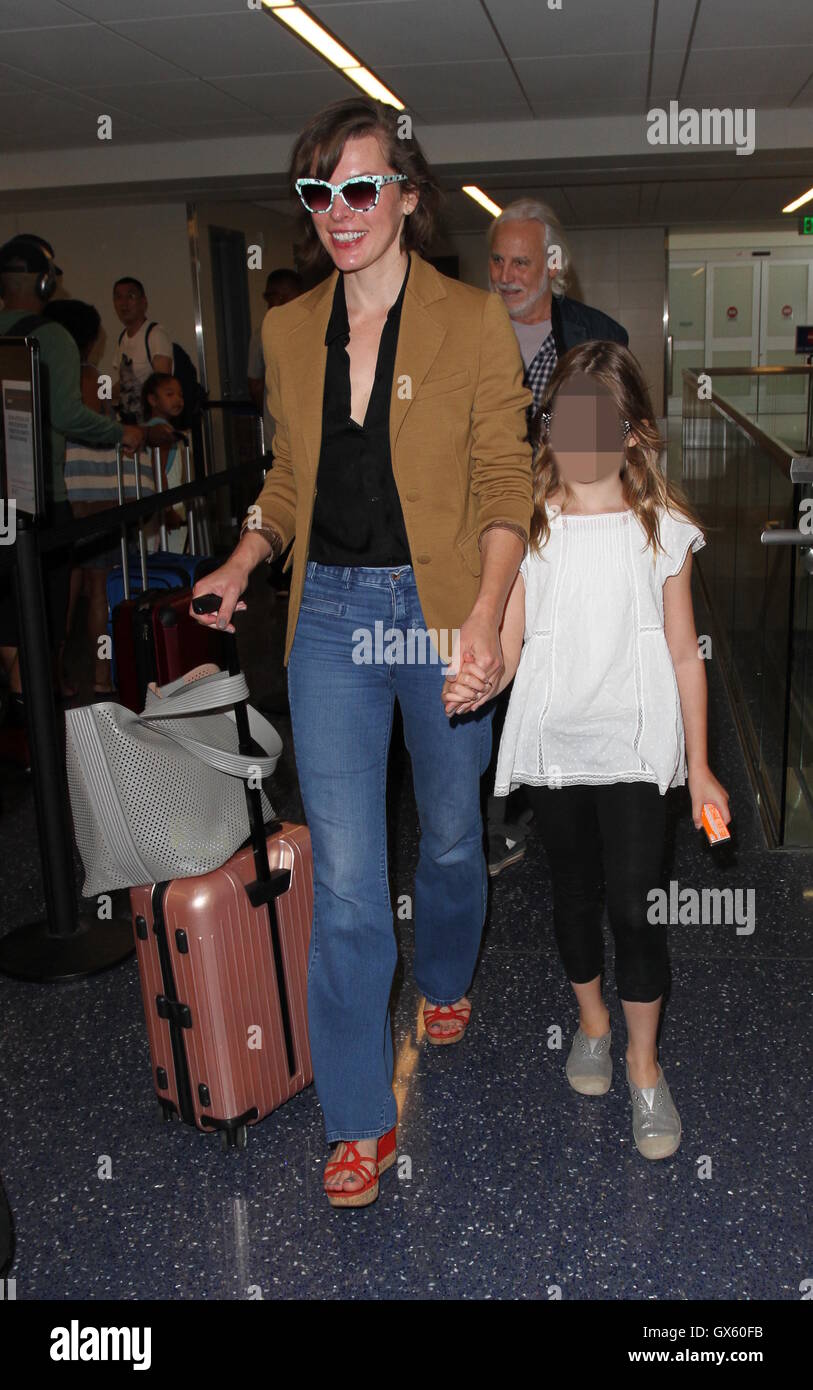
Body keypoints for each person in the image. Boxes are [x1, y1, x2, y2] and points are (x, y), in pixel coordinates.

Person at [191, 96, 533, 1209]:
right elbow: (289, 477)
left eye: (361, 187)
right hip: (331, 615)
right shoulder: (289, 330)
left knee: (445, 836)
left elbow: (503, 486)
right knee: (342, 879)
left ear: (408, 196)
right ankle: (355, 1118)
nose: (340, 211)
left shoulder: (471, 320)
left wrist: (484, 618)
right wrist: (247, 558)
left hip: (439, 609)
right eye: (320, 193)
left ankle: (443, 973)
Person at [442, 340, 731, 1160]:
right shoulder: (530, 529)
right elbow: (510, 638)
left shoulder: (662, 530)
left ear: (633, 431)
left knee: (634, 909)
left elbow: (683, 653)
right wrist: (477, 684)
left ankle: (644, 1066)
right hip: (558, 746)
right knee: (571, 897)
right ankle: (593, 1026)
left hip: (641, 752)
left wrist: (702, 767)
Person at [485, 200, 630, 876]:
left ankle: (577, 789)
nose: (507, 274)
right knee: (498, 650)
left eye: (521, 261)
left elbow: (623, 435)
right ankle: (505, 811)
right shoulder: (468, 331)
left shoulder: (595, 333)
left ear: (552, 265)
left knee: (565, 655)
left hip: (567, 522)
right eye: (497, 260)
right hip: (487, 521)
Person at [0, 236, 146, 717]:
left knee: (5, 612)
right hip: (38, 498)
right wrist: (119, 431)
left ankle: (20, 715)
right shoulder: (52, 337)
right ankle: (35, 731)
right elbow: (67, 415)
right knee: (39, 612)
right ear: (45, 283)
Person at [247, 268, 304, 452]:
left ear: (279, 297)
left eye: (269, 297)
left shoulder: (265, 332)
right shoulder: (318, 326)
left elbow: (255, 384)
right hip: (307, 439)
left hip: (280, 439)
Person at [112, 277, 172, 424]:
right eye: (118, 297)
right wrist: (100, 392)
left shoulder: (155, 334)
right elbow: (122, 383)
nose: (124, 303)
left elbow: (163, 384)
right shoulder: (122, 339)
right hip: (130, 423)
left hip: (151, 425)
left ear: (143, 302)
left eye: (130, 296)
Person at [142, 372, 187, 553]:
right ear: (152, 400)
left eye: (180, 395)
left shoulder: (162, 429)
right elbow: (157, 471)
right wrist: (167, 510)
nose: (177, 399)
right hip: (167, 513)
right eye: (169, 394)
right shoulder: (161, 432)